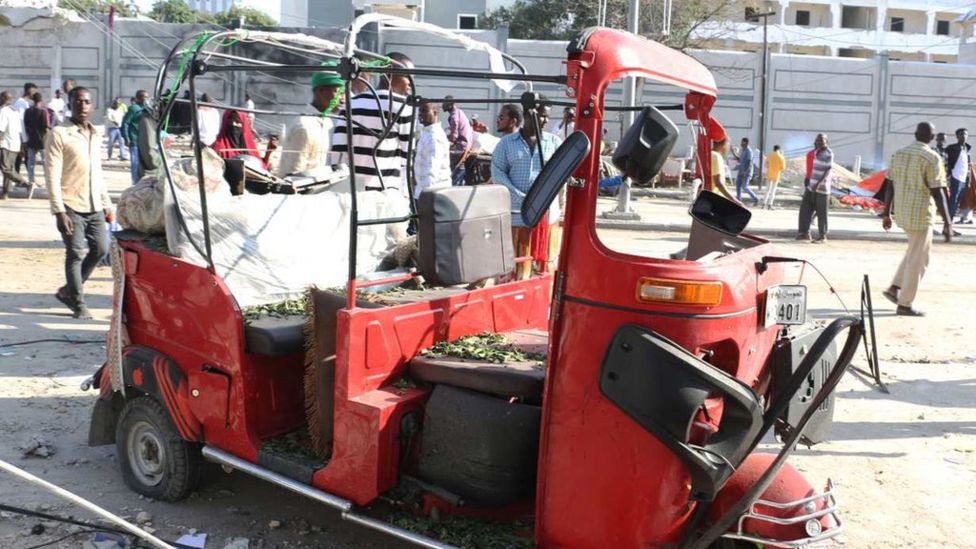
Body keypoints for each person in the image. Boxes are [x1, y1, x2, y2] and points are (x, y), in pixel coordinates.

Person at [45, 87, 112, 320]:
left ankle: (68, 291)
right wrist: (59, 210)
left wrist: (106, 203)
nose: (82, 105)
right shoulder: (59, 133)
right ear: (70, 103)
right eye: (78, 101)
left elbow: (97, 171)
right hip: (70, 203)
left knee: (101, 248)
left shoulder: (95, 133)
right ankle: (78, 303)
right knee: (75, 251)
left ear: (92, 106)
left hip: (93, 203)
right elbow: (51, 174)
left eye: (86, 102)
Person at [881, 122, 952, 317]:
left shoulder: (899, 154)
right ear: (931, 137)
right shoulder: (932, 157)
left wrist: (886, 213)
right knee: (919, 260)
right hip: (921, 216)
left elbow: (889, 186)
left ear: (915, 134)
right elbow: (938, 192)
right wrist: (947, 221)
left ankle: (894, 288)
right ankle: (905, 304)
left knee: (914, 251)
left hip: (902, 213)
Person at [491, 96, 562, 280]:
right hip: (515, 217)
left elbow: (561, 173)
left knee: (542, 272)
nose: (546, 120)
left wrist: (541, 198)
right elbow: (498, 174)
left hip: (545, 219)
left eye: (548, 117)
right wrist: (521, 197)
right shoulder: (506, 144)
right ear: (530, 114)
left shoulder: (553, 143)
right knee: (513, 271)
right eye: (543, 116)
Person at [332, 51, 414, 195]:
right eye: (408, 76)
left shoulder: (351, 104)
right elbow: (406, 161)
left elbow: (337, 154)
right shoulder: (403, 108)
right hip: (386, 197)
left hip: (351, 195)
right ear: (389, 74)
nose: (410, 84)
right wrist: (406, 198)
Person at [276, 66, 342, 177]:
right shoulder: (304, 127)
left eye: (343, 93)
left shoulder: (327, 123)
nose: (341, 98)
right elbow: (294, 175)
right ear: (320, 91)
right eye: (337, 92)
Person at [796, 133, 833, 243]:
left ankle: (823, 236)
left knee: (822, 212)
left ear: (826, 141)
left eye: (821, 140)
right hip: (811, 186)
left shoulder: (829, 153)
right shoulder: (816, 152)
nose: (818, 142)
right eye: (817, 140)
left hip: (822, 188)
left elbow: (828, 170)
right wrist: (810, 183)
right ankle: (804, 233)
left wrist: (819, 183)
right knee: (805, 209)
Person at [413, 101, 451, 199]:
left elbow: (432, 168)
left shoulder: (434, 137)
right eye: (420, 112)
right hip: (423, 191)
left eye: (425, 111)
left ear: (435, 113)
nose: (421, 114)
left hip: (432, 193)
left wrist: (425, 196)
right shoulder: (426, 132)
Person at [0, 91, 29, 199]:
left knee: (5, 169)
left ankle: (26, 183)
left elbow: (1, 129)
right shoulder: (15, 110)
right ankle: (5, 193)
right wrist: (22, 144)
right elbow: (20, 129)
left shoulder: (4, 111)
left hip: (6, 144)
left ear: (3, 98)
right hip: (15, 143)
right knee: (9, 169)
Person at [24, 92, 52, 190]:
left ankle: (31, 182)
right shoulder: (44, 112)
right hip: (42, 141)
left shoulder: (27, 111)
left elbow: (26, 125)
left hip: (31, 140)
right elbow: (47, 126)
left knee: (31, 163)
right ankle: (48, 182)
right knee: (45, 163)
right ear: (41, 100)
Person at [443, 95, 473, 186]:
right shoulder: (459, 112)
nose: (443, 105)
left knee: (444, 159)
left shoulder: (454, 116)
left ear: (450, 105)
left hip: (461, 146)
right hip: (466, 145)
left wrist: (446, 141)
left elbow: (453, 137)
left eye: (444, 103)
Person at [121, 89, 148, 184]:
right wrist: (126, 138)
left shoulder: (147, 108)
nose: (146, 99)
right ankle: (135, 183)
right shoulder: (133, 108)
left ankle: (142, 182)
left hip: (145, 141)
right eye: (144, 97)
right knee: (135, 163)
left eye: (147, 97)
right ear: (138, 98)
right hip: (135, 140)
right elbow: (125, 123)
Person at [944, 128, 970, 221]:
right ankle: (947, 224)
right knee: (953, 201)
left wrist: (968, 180)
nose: (963, 136)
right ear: (957, 136)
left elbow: (967, 165)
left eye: (965, 134)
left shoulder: (967, 148)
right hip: (955, 177)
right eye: (961, 134)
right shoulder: (952, 147)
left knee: (957, 203)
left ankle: (949, 224)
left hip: (963, 180)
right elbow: (943, 155)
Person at [708, 137, 739, 204]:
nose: (729, 148)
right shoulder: (716, 156)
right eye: (728, 144)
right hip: (714, 199)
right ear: (723, 145)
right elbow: (718, 183)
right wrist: (735, 201)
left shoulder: (710, 154)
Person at [731, 137, 759, 205]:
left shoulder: (749, 151)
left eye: (743, 142)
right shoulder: (743, 150)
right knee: (738, 186)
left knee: (745, 187)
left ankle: (755, 199)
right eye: (741, 142)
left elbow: (749, 162)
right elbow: (739, 159)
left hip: (746, 172)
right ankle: (738, 200)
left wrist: (745, 172)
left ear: (746, 143)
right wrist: (733, 152)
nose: (741, 143)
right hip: (741, 171)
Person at [762, 144, 786, 209]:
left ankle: (763, 204)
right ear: (779, 149)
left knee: (767, 190)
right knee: (773, 190)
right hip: (776, 175)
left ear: (774, 149)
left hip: (769, 174)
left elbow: (766, 165)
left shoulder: (770, 155)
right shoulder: (781, 157)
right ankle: (770, 204)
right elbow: (783, 168)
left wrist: (769, 167)